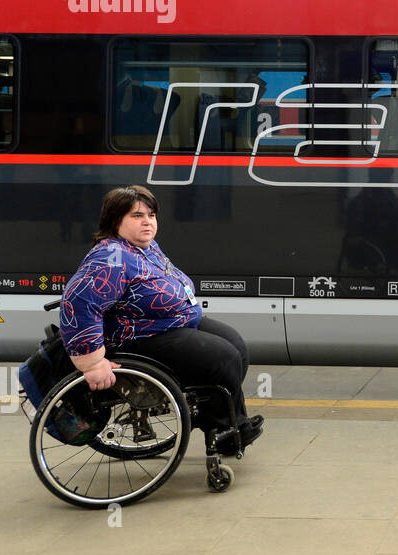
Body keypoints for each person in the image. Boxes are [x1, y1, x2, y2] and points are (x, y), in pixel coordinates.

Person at [59, 184, 263, 456]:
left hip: (167, 324)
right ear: (115, 220)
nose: (148, 222)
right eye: (137, 216)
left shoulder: (144, 247)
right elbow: (78, 303)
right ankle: (226, 429)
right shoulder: (111, 257)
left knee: (236, 346)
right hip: (138, 337)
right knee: (221, 357)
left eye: (151, 215)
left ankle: (218, 418)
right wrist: (93, 363)